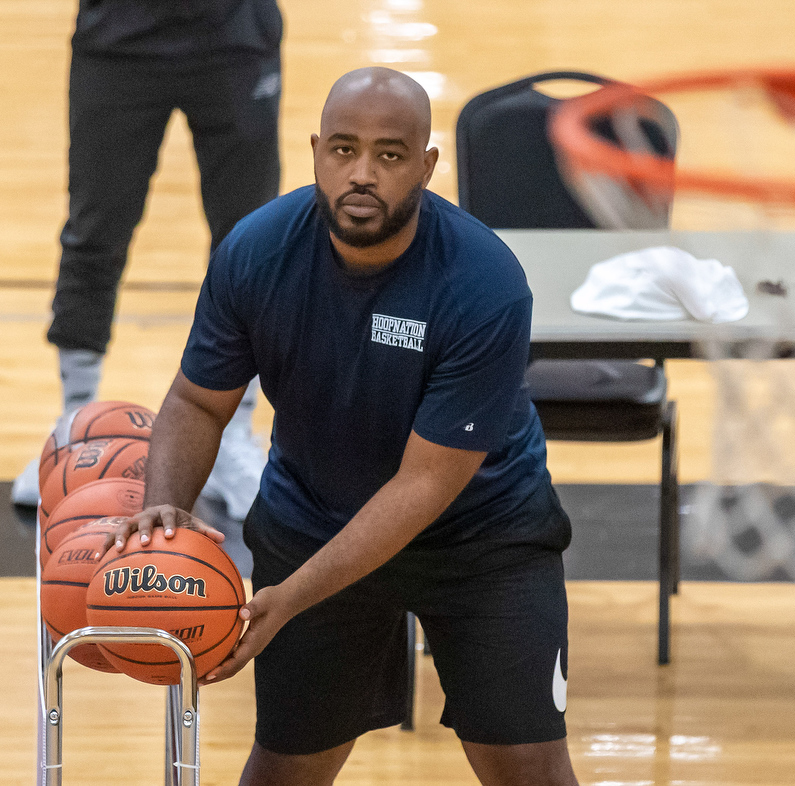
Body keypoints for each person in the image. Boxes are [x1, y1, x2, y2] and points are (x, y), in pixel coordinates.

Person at [108, 67, 580, 786]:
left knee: (527, 769)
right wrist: (162, 504)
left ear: (426, 166)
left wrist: (290, 597)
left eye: (390, 155)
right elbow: (199, 402)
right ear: (315, 151)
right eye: (344, 149)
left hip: (482, 540)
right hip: (312, 518)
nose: (362, 173)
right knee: (287, 770)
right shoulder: (257, 251)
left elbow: (423, 485)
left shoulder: (483, 283)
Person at [11, 0, 284, 521]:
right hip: (120, 36)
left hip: (234, 35)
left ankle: (232, 435)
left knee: (249, 242)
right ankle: (74, 426)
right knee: (95, 231)